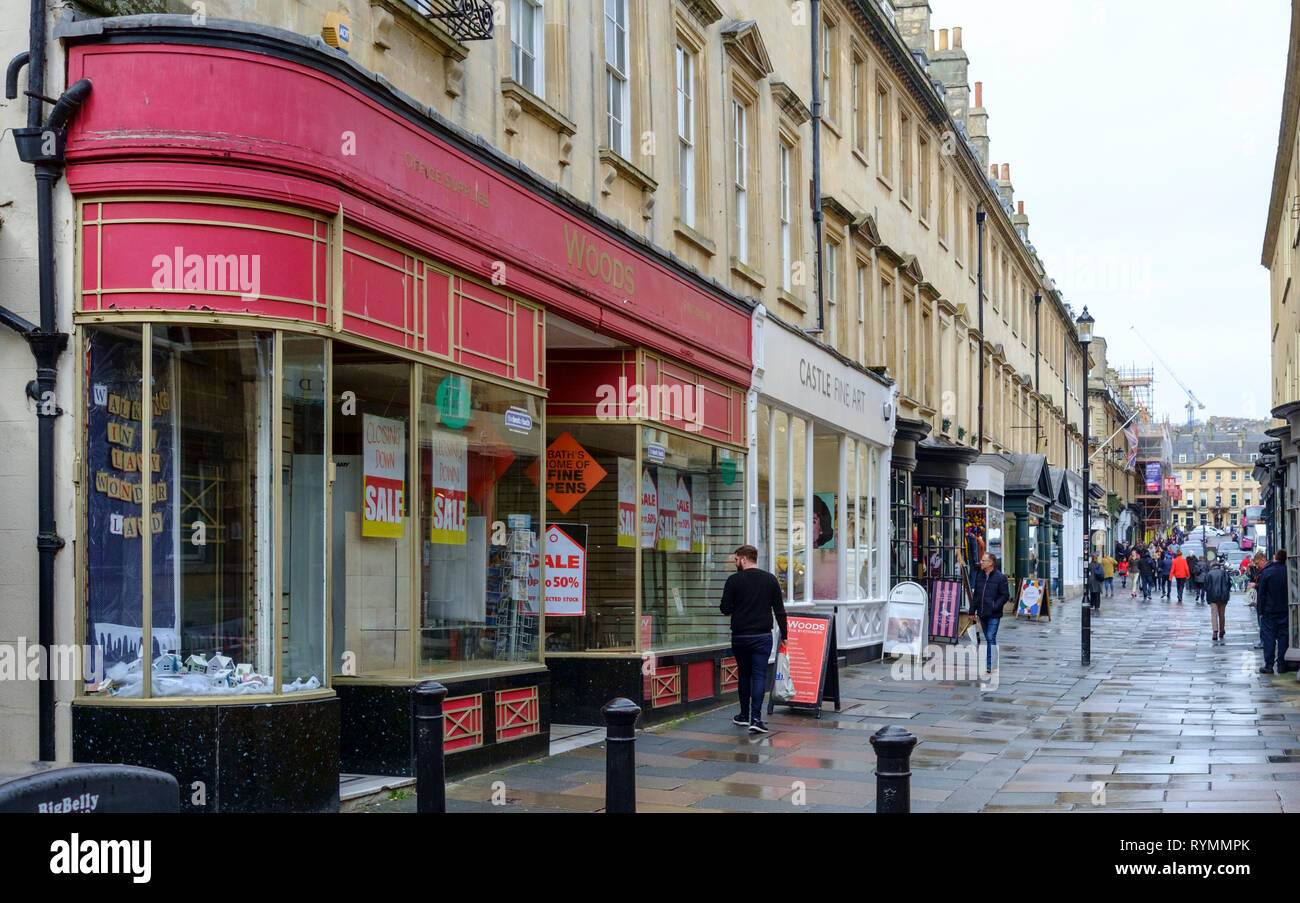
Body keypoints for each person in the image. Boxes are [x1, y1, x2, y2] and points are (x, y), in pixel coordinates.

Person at [719, 545, 788, 733]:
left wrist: (738, 606)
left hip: (740, 636)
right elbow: (780, 610)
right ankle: (756, 719)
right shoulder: (770, 579)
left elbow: (724, 608)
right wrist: (785, 635)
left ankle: (743, 715)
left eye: (736, 560)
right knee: (759, 675)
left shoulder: (734, 580)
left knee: (744, 675)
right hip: (762, 636)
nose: (735, 563)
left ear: (743, 559)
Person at [970, 552, 1010, 675]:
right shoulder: (979, 575)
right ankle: (992, 660)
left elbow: (1005, 595)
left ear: (991, 563)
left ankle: (990, 664)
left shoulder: (1000, 577)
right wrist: (972, 611)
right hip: (982, 613)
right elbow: (976, 595)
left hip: (994, 614)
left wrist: (995, 605)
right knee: (988, 637)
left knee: (990, 637)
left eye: (983, 560)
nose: (981, 562)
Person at [1256, 550, 1290, 675]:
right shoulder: (1288, 571)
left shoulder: (1267, 572)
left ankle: (1269, 665)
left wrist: (1260, 611)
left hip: (1269, 610)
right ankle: (1282, 664)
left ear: (1275, 558)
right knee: (1283, 638)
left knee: (1269, 638)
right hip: (1285, 609)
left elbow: (1262, 594)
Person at [1204, 557, 1231, 643]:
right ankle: (1222, 631)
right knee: (1222, 614)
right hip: (1223, 597)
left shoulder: (1209, 574)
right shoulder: (1224, 573)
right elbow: (1229, 584)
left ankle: (1215, 632)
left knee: (1214, 614)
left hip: (1212, 597)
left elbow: (1206, 586)